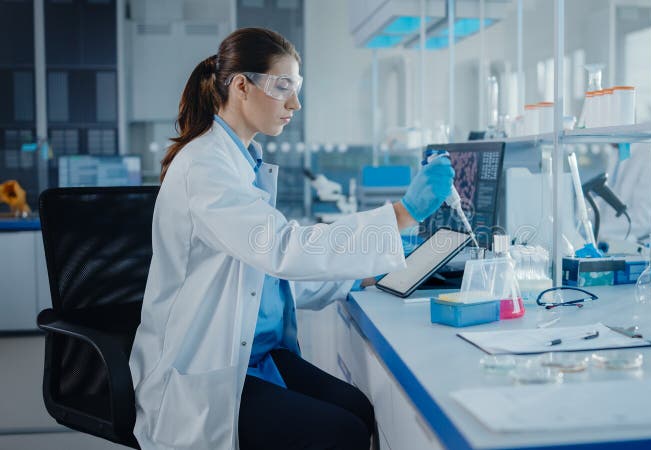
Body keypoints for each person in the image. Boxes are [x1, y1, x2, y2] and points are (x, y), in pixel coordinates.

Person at [128, 27, 454, 450]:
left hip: (250, 355)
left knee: (357, 409)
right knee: (341, 432)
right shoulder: (204, 167)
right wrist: (401, 214)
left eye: (296, 88)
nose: (294, 103)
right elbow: (282, 249)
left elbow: (261, 278)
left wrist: (362, 276)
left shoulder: (243, 163)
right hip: (206, 373)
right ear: (242, 86)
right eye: (283, 87)